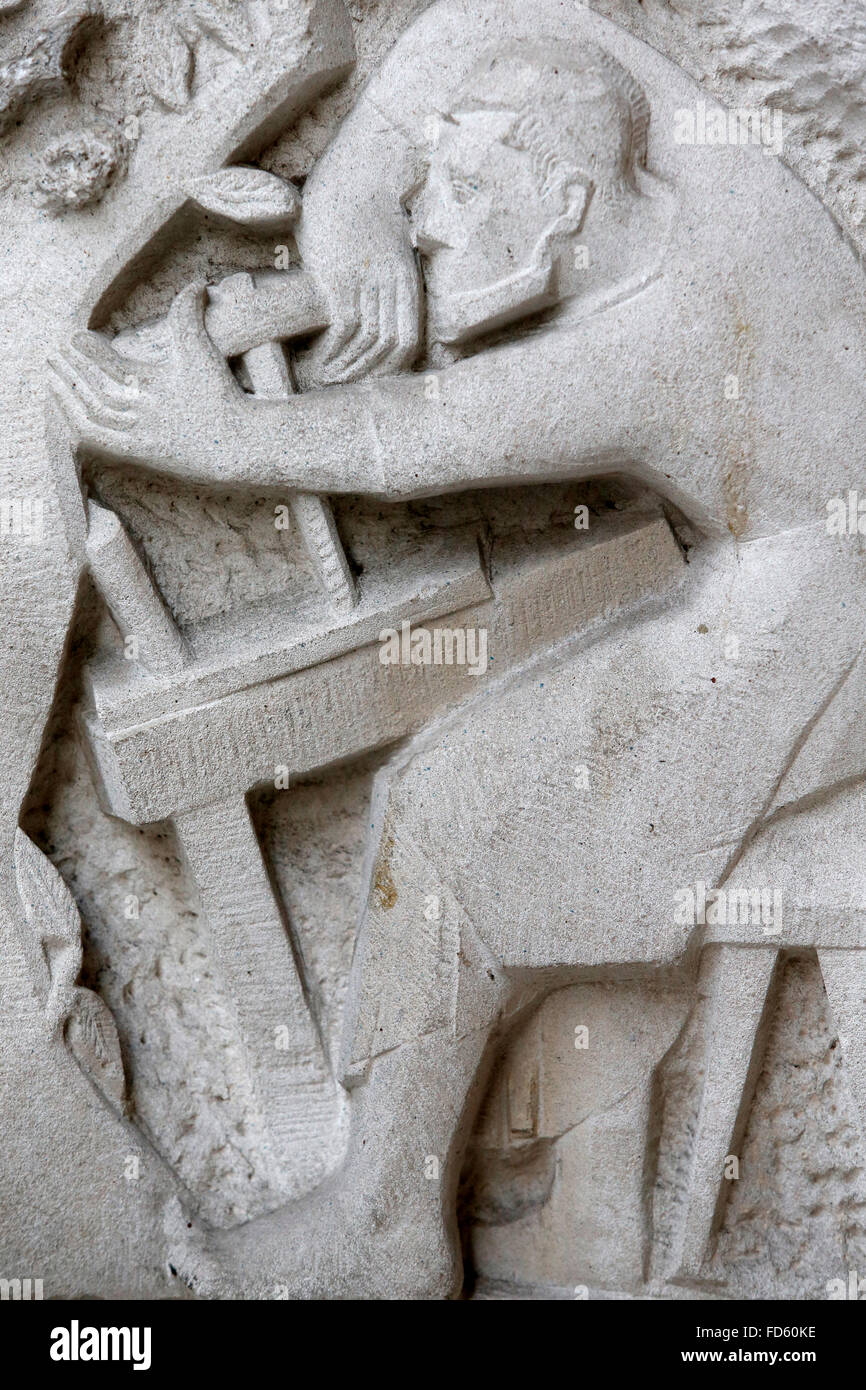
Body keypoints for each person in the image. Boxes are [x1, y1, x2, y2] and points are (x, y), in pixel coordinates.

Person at [50, 24, 866, 1298]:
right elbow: (463, 21)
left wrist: (202, 436)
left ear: (564, 206)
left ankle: (382, 1222)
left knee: (453, 805)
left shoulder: (672, 329)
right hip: (796, 563)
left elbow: (414, 442)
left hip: (832, 608)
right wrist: (360, 199)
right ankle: (553, 1191)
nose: (431, 228)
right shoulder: (637, 141)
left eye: (460, 198)